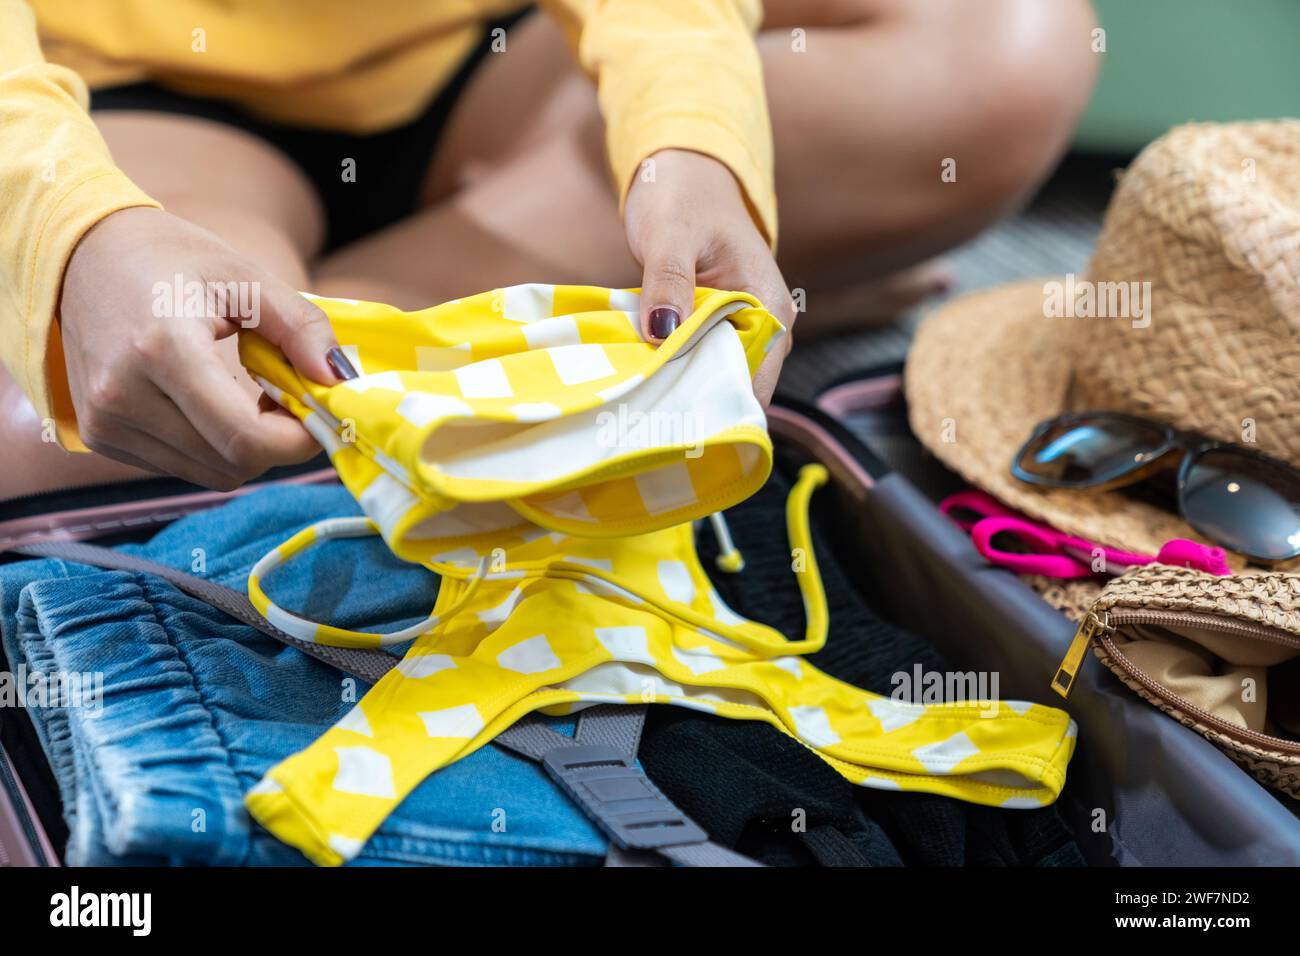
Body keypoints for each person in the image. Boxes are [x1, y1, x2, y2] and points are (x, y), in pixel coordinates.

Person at [0, 0, 1098, 493]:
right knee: (103, 419)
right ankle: (570, 324)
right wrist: (75, 225)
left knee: (1010, 36)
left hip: (490, 50)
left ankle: (377, 342)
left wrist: (689, 138)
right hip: (110, 97)